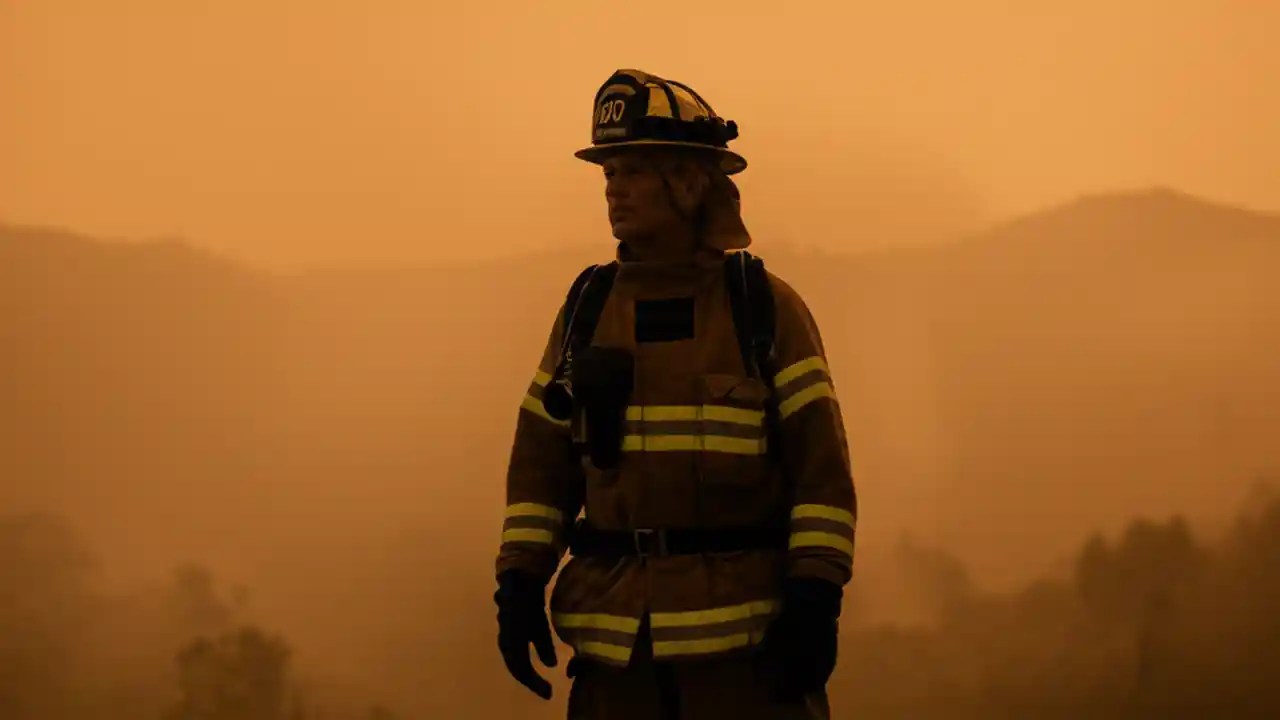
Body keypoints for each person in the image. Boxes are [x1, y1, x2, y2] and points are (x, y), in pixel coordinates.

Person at [493, 68, 857, 720]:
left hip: (745, 669)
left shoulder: (765, 311)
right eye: (609, 175)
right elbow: (540, 465)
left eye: (633, 172)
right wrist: (519, 579)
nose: (615, 192)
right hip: (616, 669)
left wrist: (816, 601)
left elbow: (822, 480)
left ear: (689, 185)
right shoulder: (588, 311)